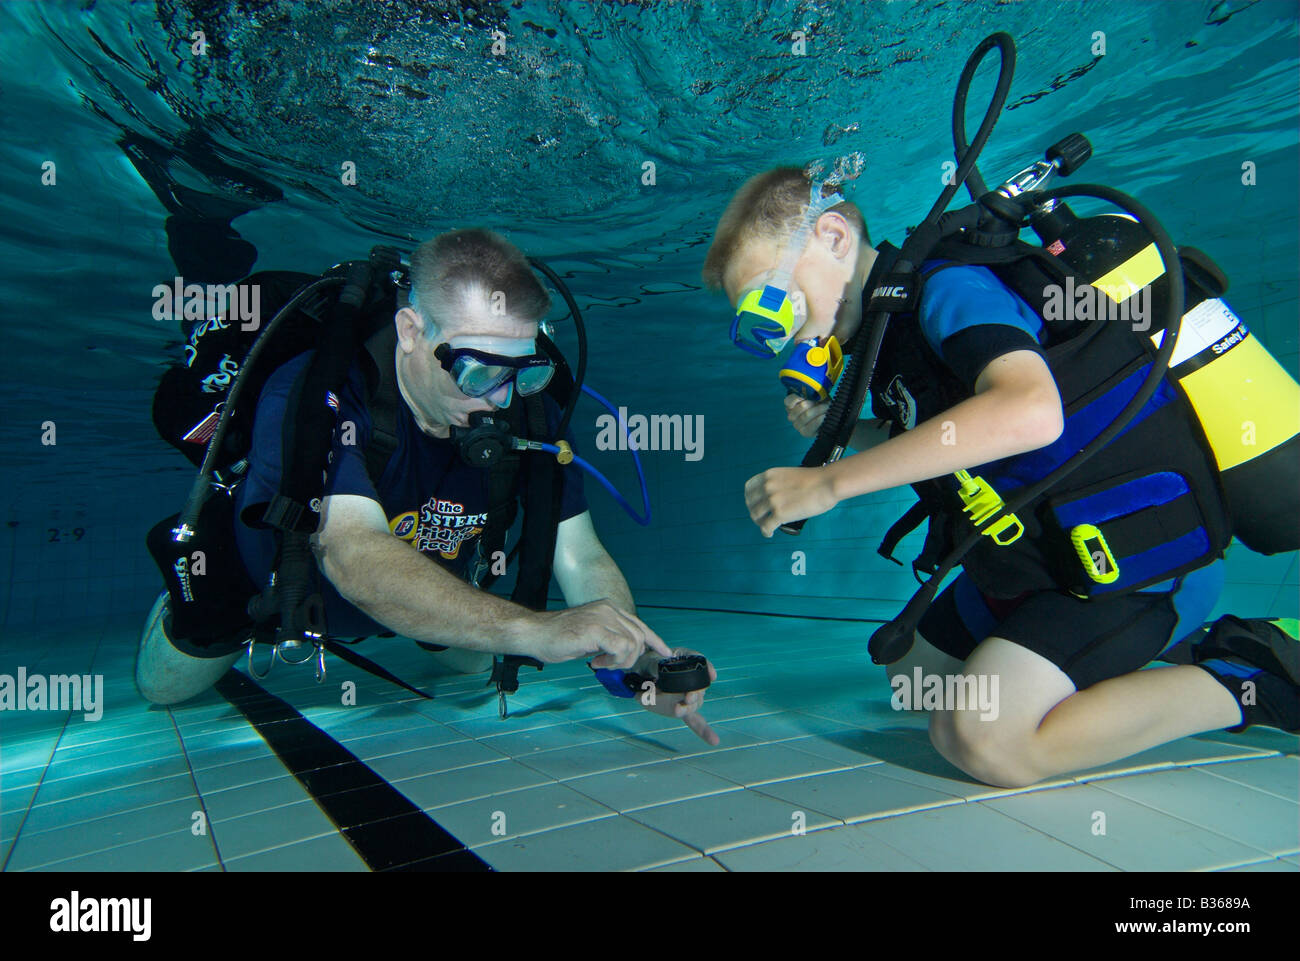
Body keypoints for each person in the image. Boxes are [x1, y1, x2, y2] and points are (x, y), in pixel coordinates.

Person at [702, 166, 1297, 787]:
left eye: (773, 296)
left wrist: (829, 483)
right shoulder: (888, 331)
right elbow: (943, 434)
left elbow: (1028, 412)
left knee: (983, 740)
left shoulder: (949, 286)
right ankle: (1122, 664)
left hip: (1136, 565)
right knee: (915, 680)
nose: (779, 327)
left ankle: (1254, 671)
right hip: (1045, 561)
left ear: (833, 236)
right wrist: (841, 427)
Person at [138, 229, 717, 744]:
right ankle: (189, 585)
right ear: (411, 331)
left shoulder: (527, 408)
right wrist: (535, 629)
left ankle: (439, 618)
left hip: (425, 571)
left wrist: (636, 666)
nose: (502, 400)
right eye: (478, 370)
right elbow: (352, 555)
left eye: (524, 370)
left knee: (472, 664)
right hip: (266, 583)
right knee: (166, 690)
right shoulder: (321, 392)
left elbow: (580, 551)